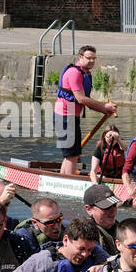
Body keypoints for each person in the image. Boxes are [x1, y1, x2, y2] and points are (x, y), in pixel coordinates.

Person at [53, 44, 118, 176]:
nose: (92, 61)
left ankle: (63, 179)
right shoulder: (74, 73)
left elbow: (85, 100)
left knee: (70, 154)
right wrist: (103, 107)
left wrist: (103, 109)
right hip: (65, 116)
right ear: (80, 57)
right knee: (73, 154)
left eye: (94, 58)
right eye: (89, 58)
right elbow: (81, 99)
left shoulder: (86, 73)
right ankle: (70, 182)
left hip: (71, 116)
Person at [83, 184, 122, 256]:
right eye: (106, 207)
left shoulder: (123, 229)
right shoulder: (85, 234)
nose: (112, 210)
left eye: (114, 205)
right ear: (89, 210)